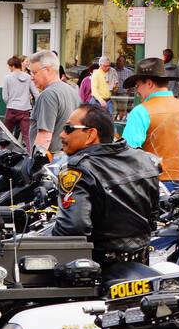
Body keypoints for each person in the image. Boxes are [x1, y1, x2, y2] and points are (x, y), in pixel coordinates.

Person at [52, 104, 160, 283]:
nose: (62, 134)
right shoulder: (144, 159)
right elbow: (154, 214)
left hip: (98, 270)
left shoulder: (78, 169)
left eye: (69, 129)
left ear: (91, 134)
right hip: (140, 262)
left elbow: (73, 228)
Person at [121, 57, 179, 190]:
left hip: (152, 185)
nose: (137, 91)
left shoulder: (140, 112)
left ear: (149, 83)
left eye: (138, 85)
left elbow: (128, 153)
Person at [26, 49, 80, 156]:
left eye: (34, 73)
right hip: (69, 157)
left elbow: (45, 136)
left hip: (52, 160)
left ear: (48, 70)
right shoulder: (71, 91)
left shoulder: (48, 95)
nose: (31, 77)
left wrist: (33, 164)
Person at [1, 55, 35, 148]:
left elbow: (4, 96)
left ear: (12, 66)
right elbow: (36, 94)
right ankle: (30, 155)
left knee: (6, 134)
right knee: (27, 136)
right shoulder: (28, 77)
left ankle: (4, 153)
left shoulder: (7, 78)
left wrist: (10, 103)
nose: (9, 68)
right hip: (24, 110)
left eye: (9, 66)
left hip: (11, 109)